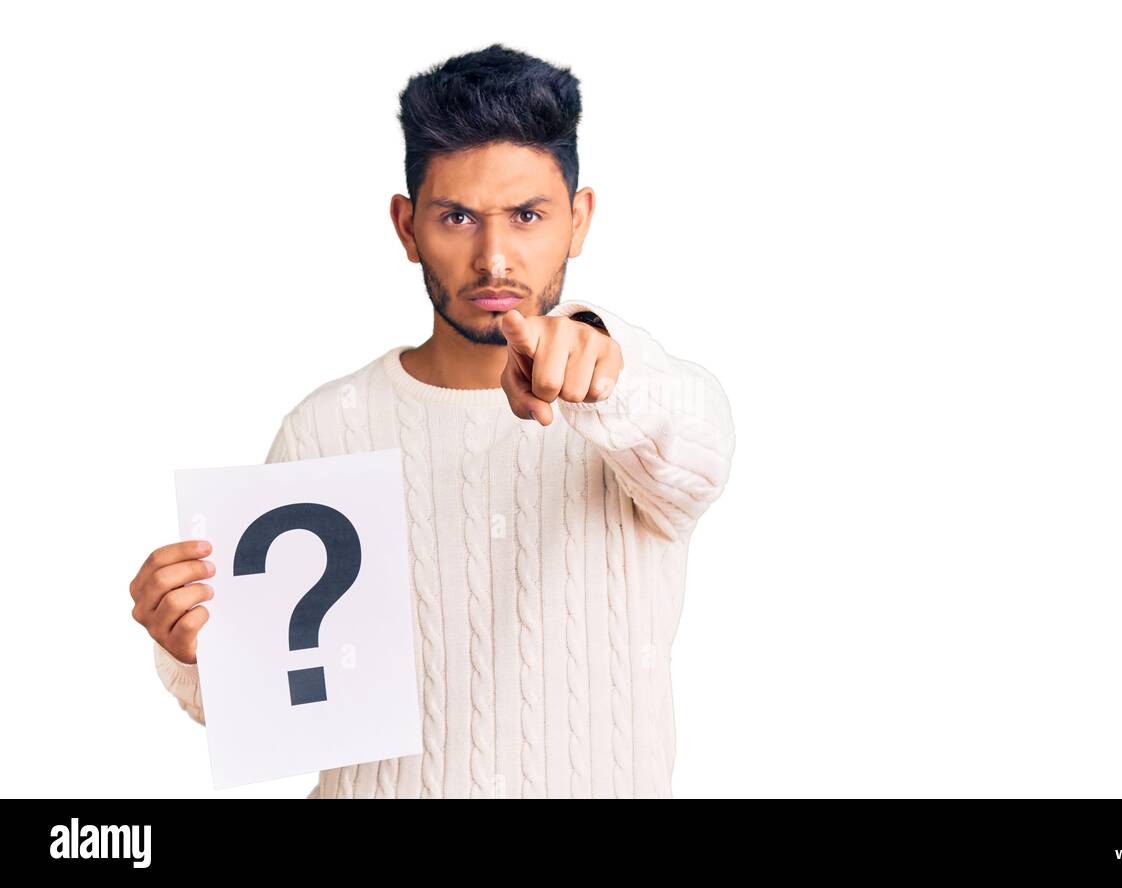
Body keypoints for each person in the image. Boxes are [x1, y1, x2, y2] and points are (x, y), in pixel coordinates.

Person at [128, 43, 735, 798]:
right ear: (408, 227)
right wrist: (192, 647)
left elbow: (700, 457)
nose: (495, 257)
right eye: (457, 217)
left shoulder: (641, 398)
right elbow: (277, 705)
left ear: (577, 220)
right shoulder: (325, 430)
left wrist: (605, 371)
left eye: (527, 215)